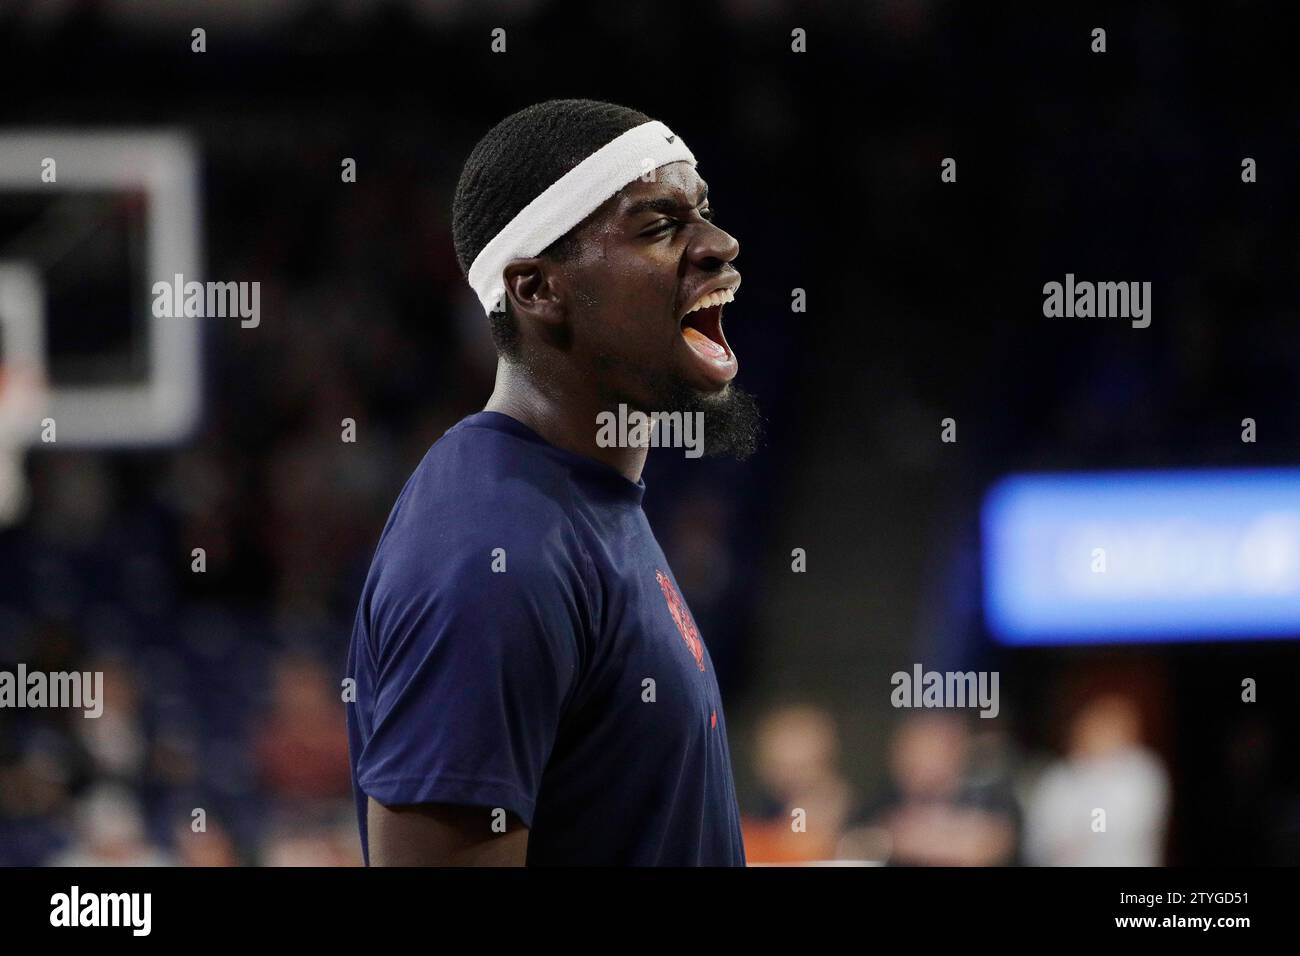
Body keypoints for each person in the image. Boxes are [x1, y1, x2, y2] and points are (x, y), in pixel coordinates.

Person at [346, 99, 762, 865]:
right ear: (538, 290)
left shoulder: (582, 502)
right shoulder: (491, 548)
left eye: (703, 214)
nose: (721, 245)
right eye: (661, 225)